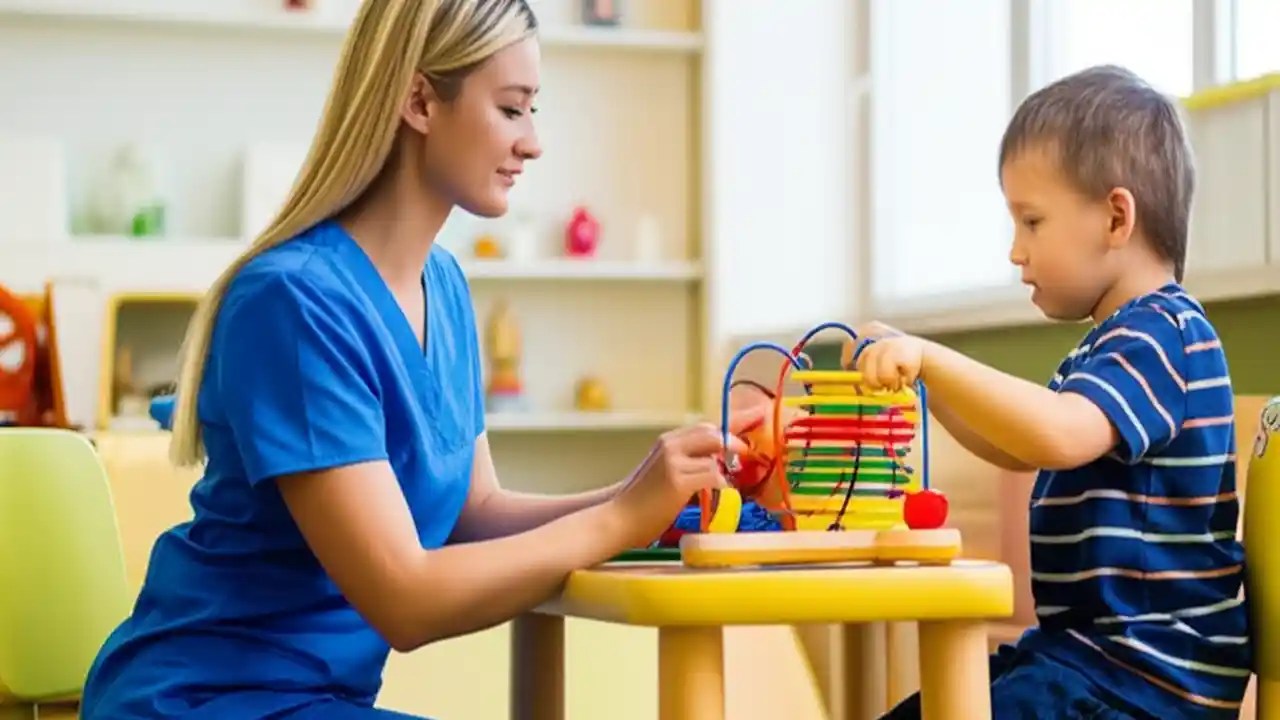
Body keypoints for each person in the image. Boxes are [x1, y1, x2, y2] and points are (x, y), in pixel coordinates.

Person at [78, 2, 750, 718]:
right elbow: (405, 597)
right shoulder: (294, 303)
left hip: (319, 702)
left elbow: (474, 513)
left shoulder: (446, 288)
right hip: (202, 700)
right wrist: (619, 518)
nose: (534, 143)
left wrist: (659, 494)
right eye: (513, 109)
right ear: (421, 100)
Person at [852, 65, 1249, 720]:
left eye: (1031, 221)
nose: (1016, 251)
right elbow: (1016, 446)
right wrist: (923, 373)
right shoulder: (1117, 343)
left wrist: (933, 357)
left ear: (1116, 217)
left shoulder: (1165, 337)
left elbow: (1055, 433)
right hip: (1090, 663)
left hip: (1142, 681)